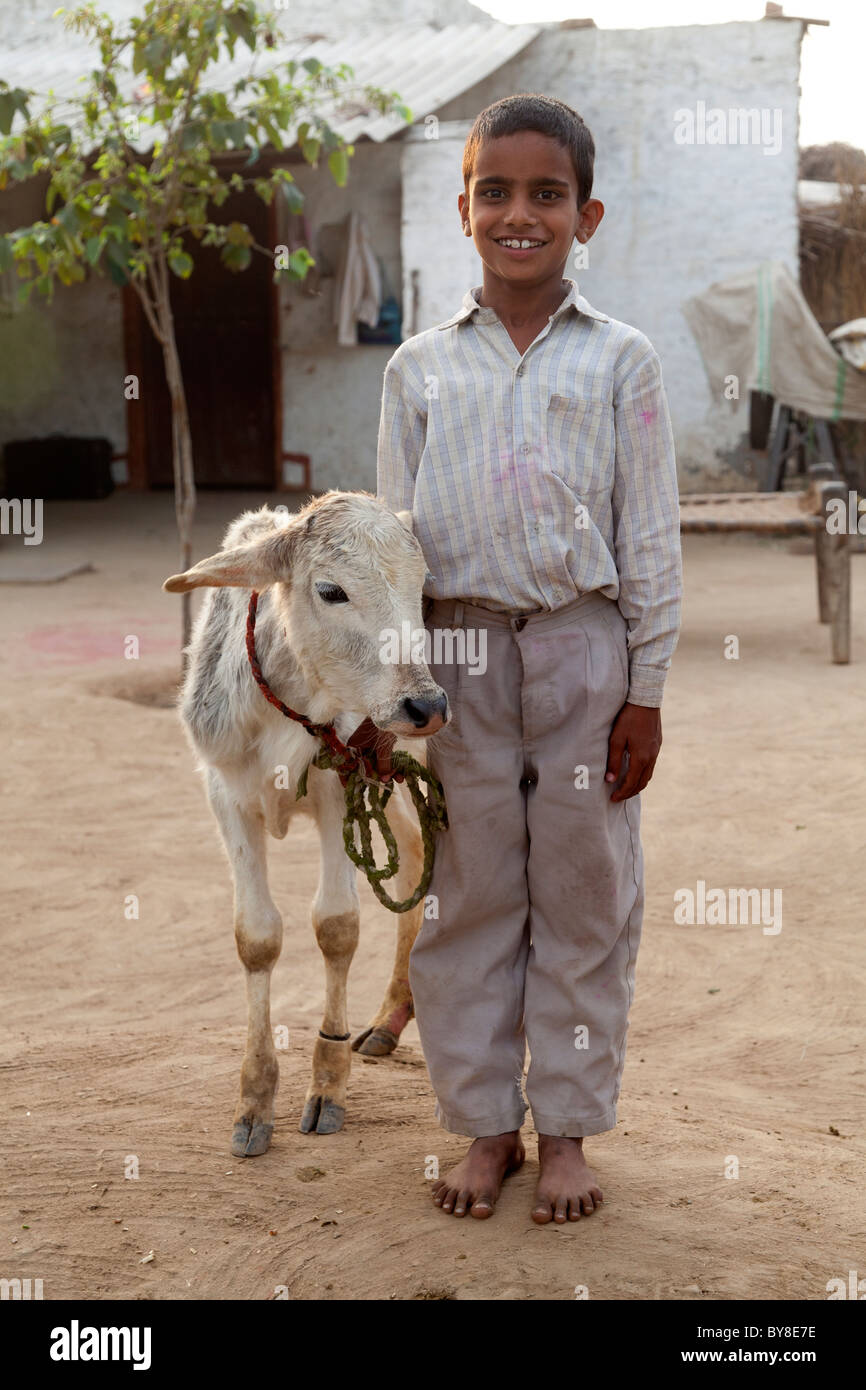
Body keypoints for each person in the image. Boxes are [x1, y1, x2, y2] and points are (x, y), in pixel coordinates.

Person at [376, 93, 682, 1224]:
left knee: (581, 896)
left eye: (543, 194)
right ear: (463, 210)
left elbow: (648, 535)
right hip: (454, 655)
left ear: (582, 213)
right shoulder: (416, 369)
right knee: (468, 901)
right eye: (494, 192)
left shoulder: (622, 363)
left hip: (579, 650)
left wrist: (643, 693)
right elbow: (391, 545)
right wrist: (382, 690)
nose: (519, 213)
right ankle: (479, 1131)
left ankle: (565, 1132)